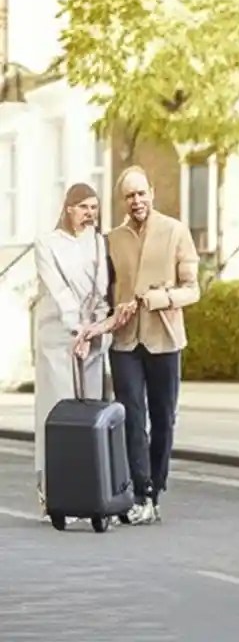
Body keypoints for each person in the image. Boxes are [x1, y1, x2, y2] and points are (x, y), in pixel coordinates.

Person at [76, 165, 201, 525]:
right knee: (131, 416)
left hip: (164, 338)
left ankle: (155, 492)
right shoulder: (112, 239)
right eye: (129, 196)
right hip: (125, 341)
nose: (137, 201)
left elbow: (193, 290)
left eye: (141, 193)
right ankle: (138, 492)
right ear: (123, 201)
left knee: (163, 418)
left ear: (151, 193)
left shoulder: (175, 231)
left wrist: (158, 298)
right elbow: (104, 291)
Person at [32, 183, 111, 518]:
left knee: (89, 415)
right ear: (68, 208)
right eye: (83, 208)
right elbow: (59, 290)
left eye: (94, 208)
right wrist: (74, 328)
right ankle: (52, 491)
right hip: (56, 340)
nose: (89, 214)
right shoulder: (45, 244)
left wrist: (94, 331)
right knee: (56, 413)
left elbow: (101, 289)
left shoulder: (97, 242)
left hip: (90, 341)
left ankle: (85, 490)